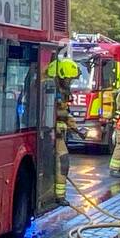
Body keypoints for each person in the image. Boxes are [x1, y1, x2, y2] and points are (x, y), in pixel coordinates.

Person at [47, 57, 83, 204]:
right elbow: (53, 112)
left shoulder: (61, 91)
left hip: (57, 134)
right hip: (49, 133)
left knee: (63, 162)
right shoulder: (49, 89)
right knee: (62, 161)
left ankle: (59, 195)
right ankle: (57, 195)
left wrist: (77, 129)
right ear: (62, 76)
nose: (71, 82)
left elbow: (64, 113)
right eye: (70, 79)